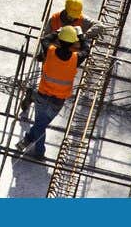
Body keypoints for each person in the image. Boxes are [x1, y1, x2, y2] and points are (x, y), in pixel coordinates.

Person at [22, 25, 85, 159]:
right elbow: (86, 50)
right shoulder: (75, 58)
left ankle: (34, 144)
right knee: (41, 124)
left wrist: (59, 30)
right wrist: (80, 35)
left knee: (40, 124)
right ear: (73, 43)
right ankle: (34, 146)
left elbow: (45, 39)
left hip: (42, 96)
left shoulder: (50, 51)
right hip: (58, 101)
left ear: (59, 40)